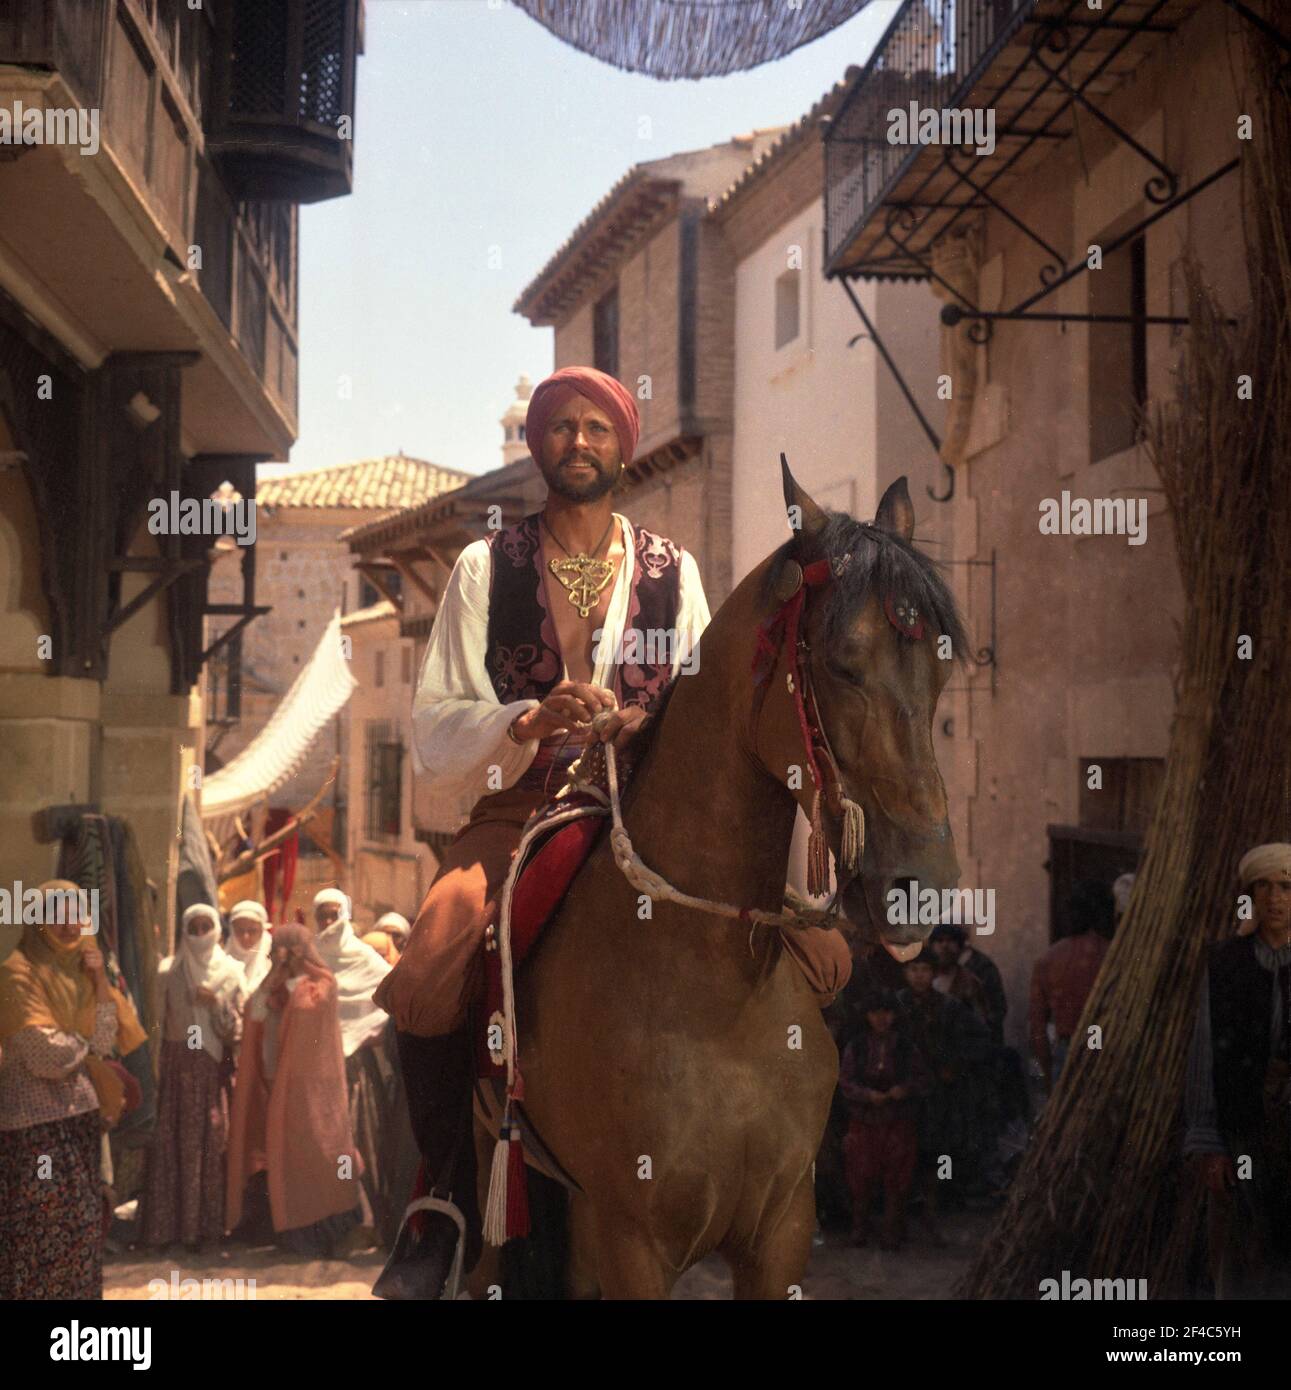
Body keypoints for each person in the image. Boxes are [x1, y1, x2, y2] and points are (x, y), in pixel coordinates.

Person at [0, 880, 147, 1299]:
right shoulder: (17, 972)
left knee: (81, 1224)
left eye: (75, 914)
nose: (68, 924)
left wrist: (100, 979)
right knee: (38, 1227)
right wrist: (83, 1047)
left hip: (79, 1120)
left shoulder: (84, 974)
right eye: (56, 914)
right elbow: (42, 1055)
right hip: (31, 1125)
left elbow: (104, 1042)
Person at [1184, 842, 1291, 1298]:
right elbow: (1206, 1050)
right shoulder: (1226, 963)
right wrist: (1211, 1143)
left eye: (1286, 886)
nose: (1274, 898)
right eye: (1262, 886)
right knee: (1245, 1249)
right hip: (1244, 1128)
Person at [225, 923, 362, 1257]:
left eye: (291, 946)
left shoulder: (322, 984)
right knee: (281, 1154)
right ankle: (286, 1231)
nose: (284, 953)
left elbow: (308, 1009)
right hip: (274, 1082)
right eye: (279, 946)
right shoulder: (271, 985)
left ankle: (323, 1231)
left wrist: (291, 980)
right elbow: (254, 1011)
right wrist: (276, 979)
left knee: (314, 1153)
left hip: (312, 1089)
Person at [140, 903, 246, 1251]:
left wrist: (215, 1002)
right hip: (176, 1068)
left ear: (217, 928)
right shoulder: (168, 970)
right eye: (194, 927)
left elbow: (235, 1032)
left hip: (209, 1071)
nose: (200, 934)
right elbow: (156, 1022)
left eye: (206, 926)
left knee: (208, 1147)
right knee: (172, 1147)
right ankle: (169, 1232)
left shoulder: (231, 971)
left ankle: (205, 1232)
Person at [310, 889, 398, 1247]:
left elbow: (387, 1005)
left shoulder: (366, 961)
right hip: (319, 1073)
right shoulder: (311, 959)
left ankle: (376, 1223)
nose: (329, 923)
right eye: (323, 916)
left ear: (346, 915)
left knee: (362, 1145)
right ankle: (337, 1226)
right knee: (327, 1148)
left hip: (357, 1072)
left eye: (334, 915)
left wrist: (363, 1035)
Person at [897, 947, 990, 1238]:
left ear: (934, 973)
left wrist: (955, 1065)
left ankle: (931, 1214)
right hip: (904, 1091)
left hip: (939, 1093)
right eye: (913, 970)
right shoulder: (896, 1005)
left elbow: (978, 1039)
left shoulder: (950, 1007)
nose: (919, 976)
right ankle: (898, 1219)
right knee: (902, 1152)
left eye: (924, 970)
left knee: (935, 1153)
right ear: (905, 973)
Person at [839, 989, 927, 1249]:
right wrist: (867, 1095)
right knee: (860, 1175)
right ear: (867, 1016)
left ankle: (892, 1230)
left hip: (897, 1119)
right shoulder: (856, 1047)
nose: (881, 1018)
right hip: (864, 1119)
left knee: (897, 1176)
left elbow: (922, 1078)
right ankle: (860, 1228)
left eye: (886, 1013)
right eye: (875, 1013)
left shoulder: (905, 1047)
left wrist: (904, 1089)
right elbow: (845, 1081)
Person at [1029, 879, 1114, 1092]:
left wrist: (1047, 1076)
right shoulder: (1113, 955)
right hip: (1106, 1047)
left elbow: (1037, 1029)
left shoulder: (1048, 959)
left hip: (1068, 1048)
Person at [226, 899, 273, 993]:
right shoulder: (222, 960)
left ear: (262, 930)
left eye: (252, 931)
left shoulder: (274, 958)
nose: (245, 937)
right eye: (240, 930)